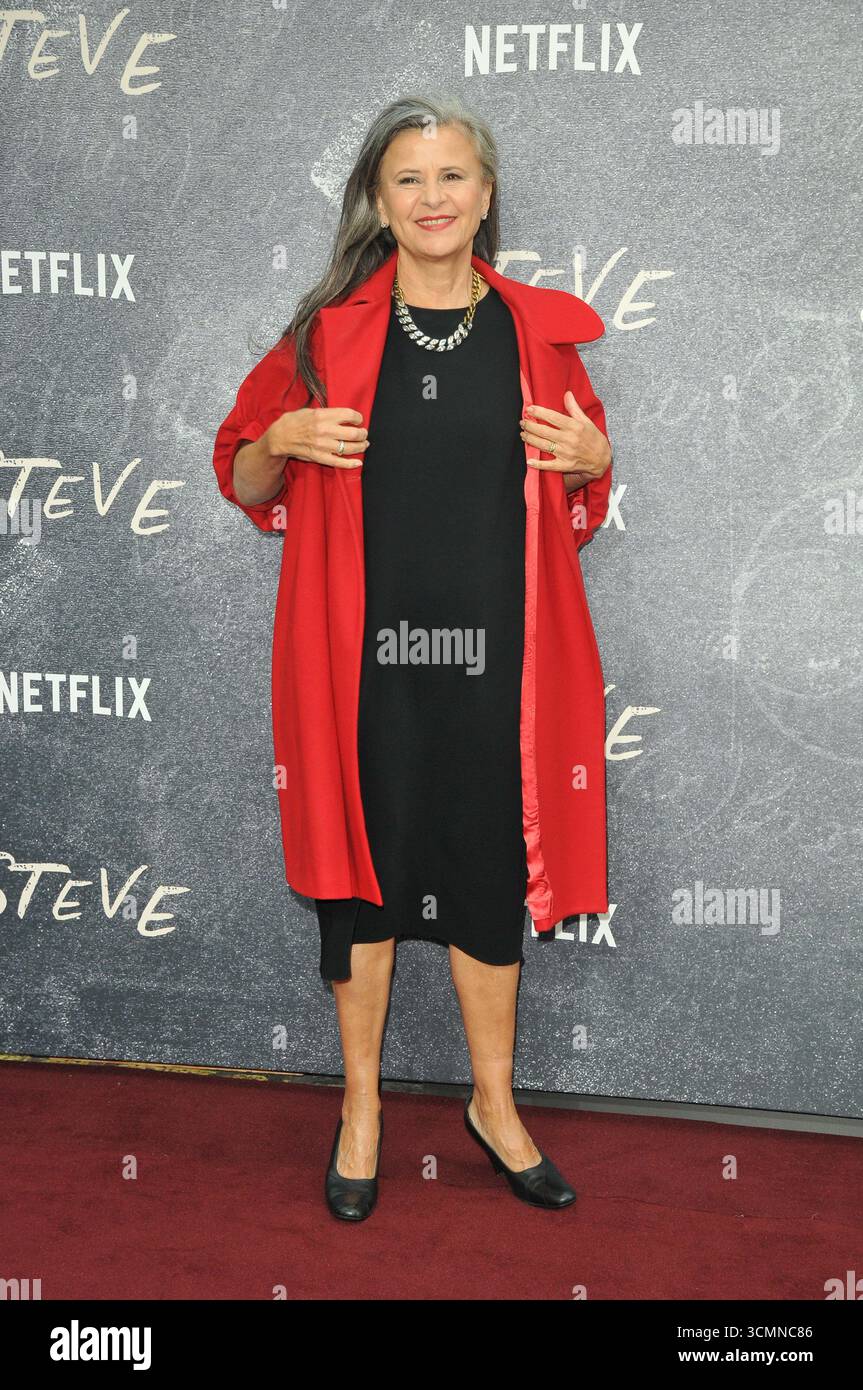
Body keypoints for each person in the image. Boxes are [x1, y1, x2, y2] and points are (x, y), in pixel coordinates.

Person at [212, 94, 613, 1222]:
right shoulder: (323, 334)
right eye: (408, 180)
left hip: (502, 665)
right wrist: (278, 440)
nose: (432, 197)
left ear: (485, 197)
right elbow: (241, 472)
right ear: (378, 206)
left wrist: (592, 458)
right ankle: (361, 1107)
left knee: (488, 876)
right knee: (365, 885)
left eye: (452, 177)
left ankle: (495, 1104)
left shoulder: (538, 334)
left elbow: (578, 499)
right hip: (360, 666)